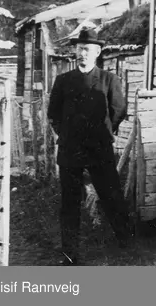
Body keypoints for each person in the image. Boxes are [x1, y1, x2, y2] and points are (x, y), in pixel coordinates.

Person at [47, 28, 132, 265]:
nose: (82, 53)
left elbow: (119, 110)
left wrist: (103, 133)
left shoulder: (109, 80)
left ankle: (126, 243)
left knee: (111, 196)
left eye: (87, 49)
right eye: (80, 48)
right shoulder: (63, 81)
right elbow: (53, 113)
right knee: (69, 202)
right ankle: (70, 252)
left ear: (97, 52)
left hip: (99, 149)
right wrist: (67, 134)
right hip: (70, 150)